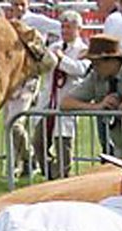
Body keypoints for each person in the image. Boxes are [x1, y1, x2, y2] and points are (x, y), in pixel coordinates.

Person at [5, 0, 60, 179]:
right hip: (12, 77)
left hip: (30, 78)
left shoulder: (36, 20)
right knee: (12, 122)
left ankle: (29, 160)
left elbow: (61, 28)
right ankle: (19, 162)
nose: (19, 8)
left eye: (22, 4)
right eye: (15, 4)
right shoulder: (7, 22)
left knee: (14, 123)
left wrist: (47, 49)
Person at [31, 9, 88, 179]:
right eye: (63, 27)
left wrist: (61, 59)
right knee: (38, 142)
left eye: (69, 28)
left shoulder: (84, 49)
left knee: (63, 144)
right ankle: (49, 174)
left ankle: (62, 175)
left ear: (79, 29)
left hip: (67, 103)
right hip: (49, 102)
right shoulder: (54, 47)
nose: (65, 32)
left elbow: (80, 70)